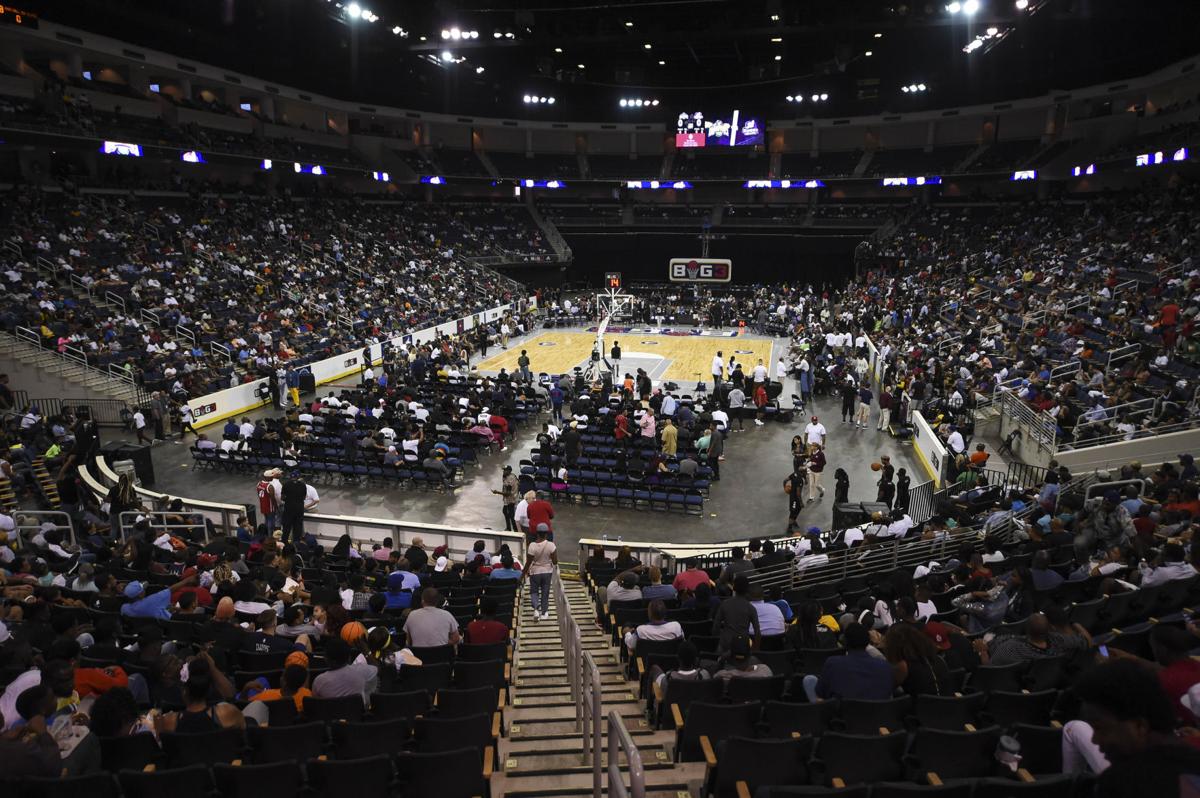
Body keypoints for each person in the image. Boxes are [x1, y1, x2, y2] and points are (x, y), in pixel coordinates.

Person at [1064, 659, 1200, 797]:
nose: (1094, 739)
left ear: (1139, 726)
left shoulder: (1121, 785)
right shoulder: (1193, 760)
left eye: (1100, 729)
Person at [802, 622, 894, 701]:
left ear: (845, 642)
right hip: (879, 718)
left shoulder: (833, 663)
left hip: (842, 718)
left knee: (809, 680)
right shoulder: (885, 666)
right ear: (867, 642)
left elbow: (820, 692)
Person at [312, 638, 378, 705]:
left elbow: (317, 706)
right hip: (356, 715)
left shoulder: (319, 681)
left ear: (326, 659)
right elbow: (376, 668)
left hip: (330, 715)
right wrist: (366, 651)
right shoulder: (361, 671)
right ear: (349, 657)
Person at [712, 574, 760, 655]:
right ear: (747, 589)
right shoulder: (751, 608)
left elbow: (715, 627)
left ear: (734, 588)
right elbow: (757, 632)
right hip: (743, 645)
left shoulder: (724, 604)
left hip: (725, 644)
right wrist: (755, 650)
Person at [279, 471, 310, 545]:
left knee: (286, 527)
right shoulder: (303, 485)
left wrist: (288, 499)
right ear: (298, 477)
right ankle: (296, 544)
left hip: (288, 508)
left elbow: (282, 497)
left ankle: (284, 543)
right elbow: (304, 497)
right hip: (299, 509)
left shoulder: (286, 484)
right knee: (298, 527)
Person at [493, 465, 519, 532]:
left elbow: (508, 494)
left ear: (509, 471)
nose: (504, 471)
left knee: (511, 516)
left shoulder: (510, 479)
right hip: (508, 499)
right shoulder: (507, 476)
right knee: (505, 511)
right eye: (503, 470)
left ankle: (515, 530)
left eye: (505, 470)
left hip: (511, 500)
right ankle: (508, 528)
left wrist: (497, 492)